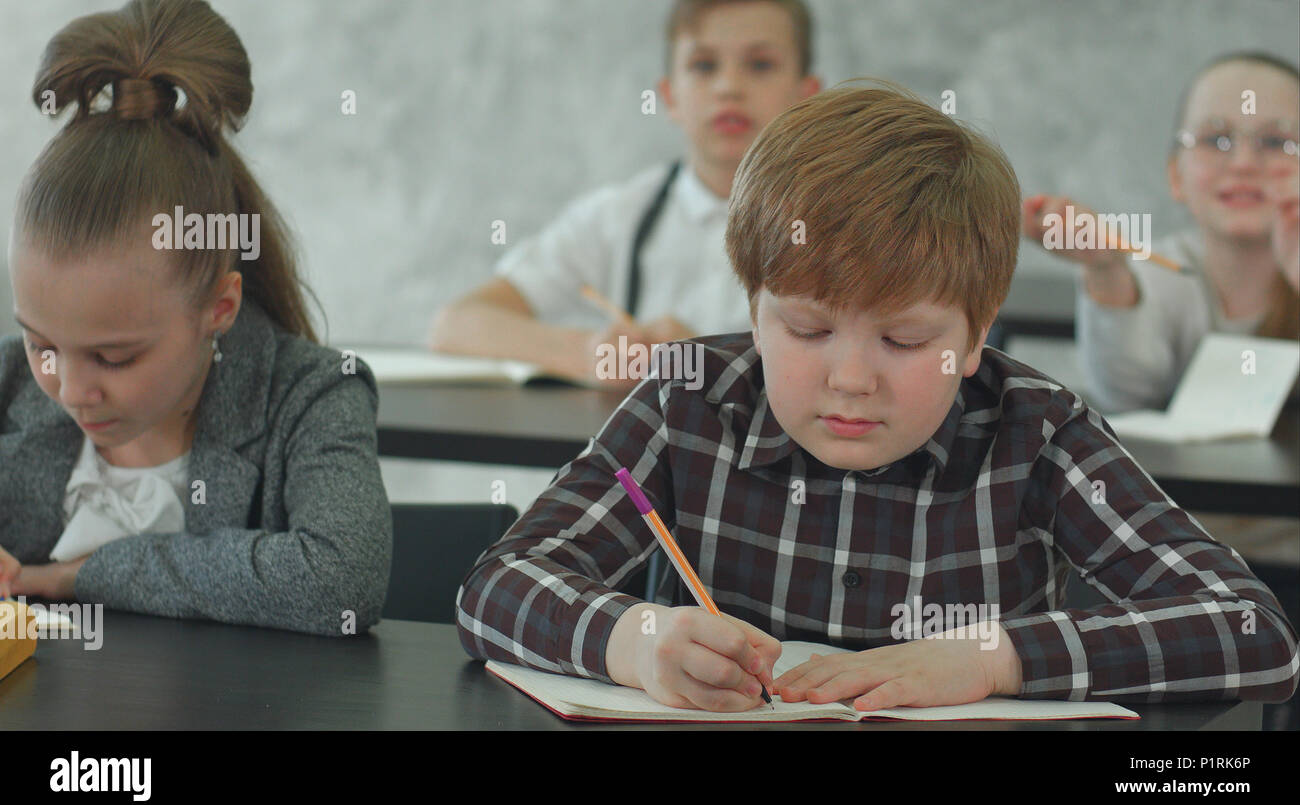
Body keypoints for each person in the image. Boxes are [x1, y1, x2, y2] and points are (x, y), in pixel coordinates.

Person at [456, 82, 1298, 712]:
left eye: (904, 341)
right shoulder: (690, 398)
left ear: (977, 335)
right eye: (807, 329)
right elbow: (494, 587)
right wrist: (634, 640)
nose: (852, 377)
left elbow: (1254, 631)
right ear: (754, 309)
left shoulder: (1036, 429)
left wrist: (990, 658)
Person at [0, 0, 391, 636]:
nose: (69, 390)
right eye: (41, 343)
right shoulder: (8, 380)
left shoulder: (314, 396)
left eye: (114, 357)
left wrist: (86, 574)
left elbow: (342, 581)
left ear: (219, 308)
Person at [429, 0, 820, 390]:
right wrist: (592, 354)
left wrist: (709, 361)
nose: (728, 87)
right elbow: (455, 325)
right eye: (703, 66)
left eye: (760, 65)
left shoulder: (837, 223)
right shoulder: (615, 217)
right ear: (669, 97)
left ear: (807, 97)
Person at [1022, 53, 1300, 414]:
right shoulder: (1157, 272)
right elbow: (1124, 394)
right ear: (1176, 176)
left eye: (1276, 142)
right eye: (1216, 139)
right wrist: (1106, 269)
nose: (1243, 163)